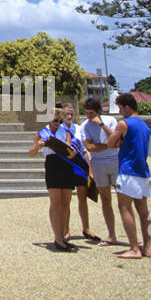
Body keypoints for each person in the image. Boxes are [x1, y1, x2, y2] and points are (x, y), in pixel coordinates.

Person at [28, 108, 87, 252]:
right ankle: (58, 238)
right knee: (55, 202)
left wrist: (70, 150)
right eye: (56, 121)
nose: (58, 123)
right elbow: (31, 153)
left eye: (60, 121)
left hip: (66, 167)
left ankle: (64, 234)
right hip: (53, 166)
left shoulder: (65, 132)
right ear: (49, 119)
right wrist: (38, 146)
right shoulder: (42, 133)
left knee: (66, 202)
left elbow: (70, 151)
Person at [107, 92, 151, 259]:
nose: (120, 112)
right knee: (144, 211)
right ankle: (147, 247)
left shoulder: (123, 124)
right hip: (143, 171)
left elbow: (110, 143)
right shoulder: (145, 126)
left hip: (128, 170)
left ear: (127, 107)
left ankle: (134, 248)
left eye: (120, 108)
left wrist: (120, 140)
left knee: (124, 207)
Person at [80, 97, 121, 245]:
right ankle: (111, 235)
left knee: (124, 199)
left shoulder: (110, 121)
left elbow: (116, 140)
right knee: (105, 200)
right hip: (98, 163)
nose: (89, 116)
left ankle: (132, 235)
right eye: (87, 113)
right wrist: (108, 145)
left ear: (98, 112)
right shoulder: (84, 126)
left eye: (91, 113)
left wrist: (102, 125)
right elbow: (89, 147)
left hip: (115, 161)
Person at [59, 101, 99, 242]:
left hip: (80, 166)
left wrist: (90, 170)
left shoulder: (78, 128)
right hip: (66, 166)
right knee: (66, 201)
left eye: (71, 113)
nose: (69, 116)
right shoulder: (59, 129)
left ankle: (86, 228)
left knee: (83, 198)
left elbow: (84, 151)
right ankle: (66, 229)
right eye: (66, 114)